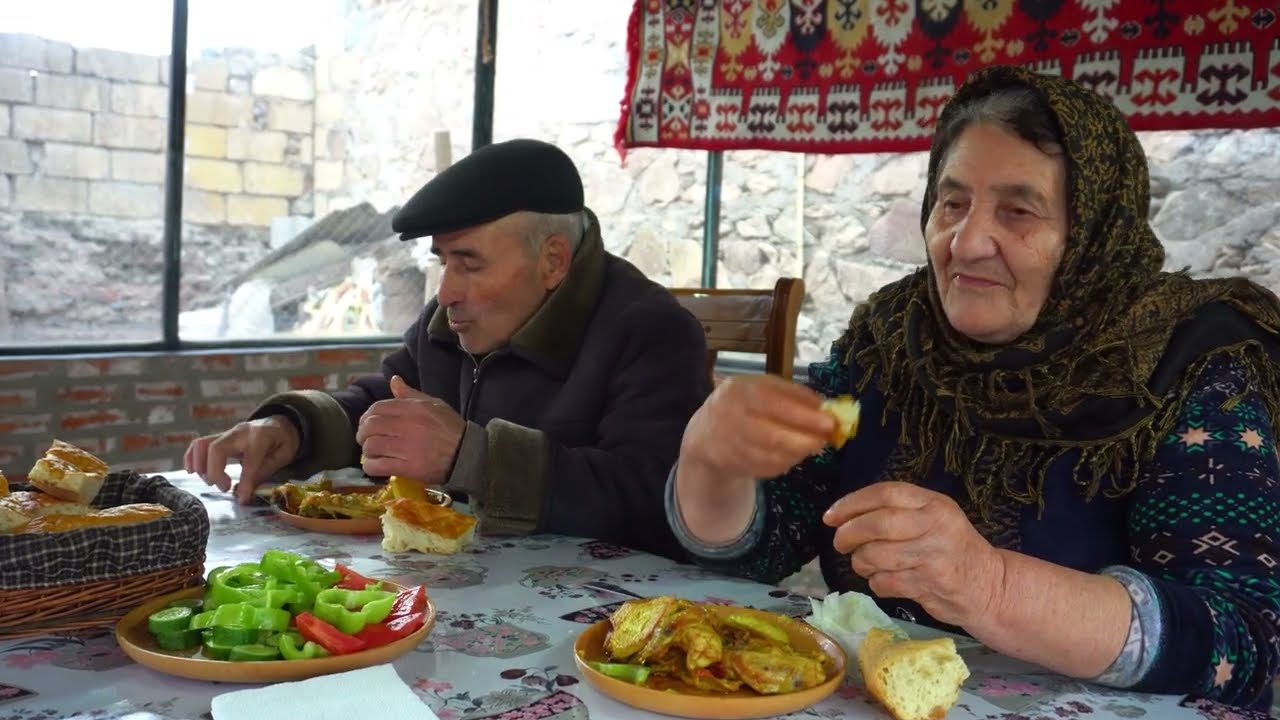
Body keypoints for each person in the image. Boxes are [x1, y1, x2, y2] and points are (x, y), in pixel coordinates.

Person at [668, 65, 1280, 709]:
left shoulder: (1188, 364)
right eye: (953, 202)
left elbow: (1243, 642)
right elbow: (771, 543)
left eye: (1018, 211)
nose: (967, 241)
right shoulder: (893, 337)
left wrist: (989, 585)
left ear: (1093, 233)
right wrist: (712, 465)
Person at [185, 138, 710, 559]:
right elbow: (383, 408)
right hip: (448, 589)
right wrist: (292, 430)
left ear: (553, 262)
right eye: (443, 261)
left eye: (470, 262)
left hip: (603, 629)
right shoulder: (448, 321)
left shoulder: (651, 332)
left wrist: (476, 459)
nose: (447, 291)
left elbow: (658, 501)